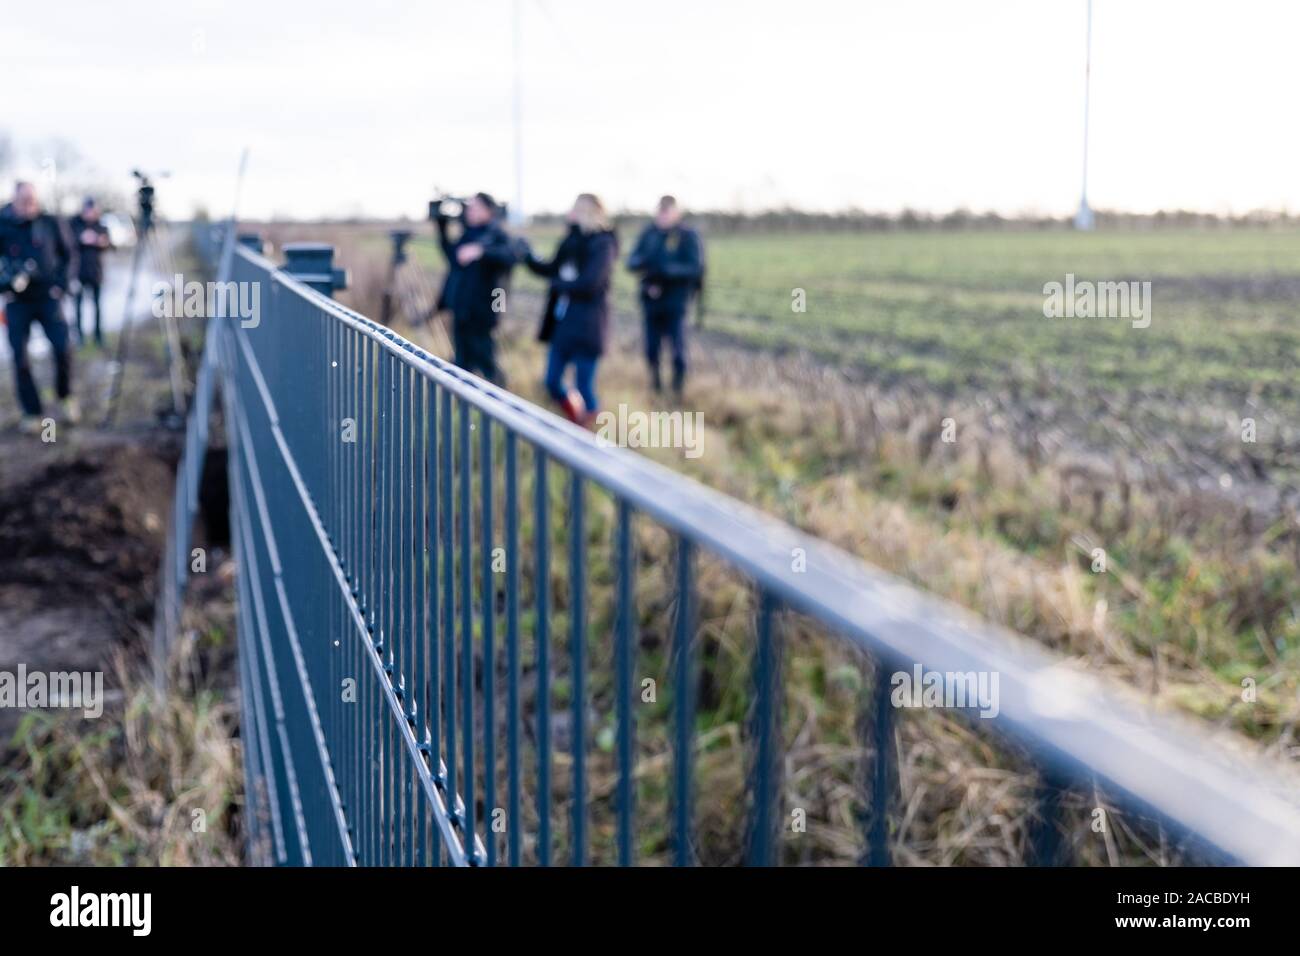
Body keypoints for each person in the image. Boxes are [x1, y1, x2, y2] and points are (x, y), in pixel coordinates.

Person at [524, 193, 618, 425]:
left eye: (575, 209)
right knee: (552, 381)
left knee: (584, 386)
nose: (570, 213)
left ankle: (591, 435)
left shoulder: (604, 244)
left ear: (587, 212)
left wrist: (560, 284)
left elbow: (590, 283)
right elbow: (552, 268)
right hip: (563, 324)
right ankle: (576, 421)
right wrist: (528, 256)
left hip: (588, 326)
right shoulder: (571, 241)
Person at [0, 181, 78, 432]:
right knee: (20, 358)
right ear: (14, 201)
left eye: (33, 200)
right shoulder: (3, 224)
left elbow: (69, 255)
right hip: (16, 301)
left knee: (62, 348)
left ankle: (65, 397)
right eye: (24, 201)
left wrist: (61, 285)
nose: (29, 206)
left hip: (48, 298)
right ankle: (32, 412)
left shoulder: (51, 222)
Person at [434, 192, 520, 384]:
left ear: (488, 210)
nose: (468, 212)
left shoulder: (497, 233)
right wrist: (441, 227)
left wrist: (481, 251)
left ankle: (500, 404)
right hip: (462, 308)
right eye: (468, 207)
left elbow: (512, 255)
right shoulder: (469, 233)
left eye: (474, 207)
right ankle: (464, 407)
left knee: (486, 360)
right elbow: (453, 258)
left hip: (484, 311)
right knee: (462, 361)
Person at [626, 195, 704, 396]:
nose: (662, 216)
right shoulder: (649, 234)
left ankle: (677, 391)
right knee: (651, 348)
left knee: (678, 349)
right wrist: (643, 264)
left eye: (667, 212)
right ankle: (656, 387)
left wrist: (666, 271)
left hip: (676, 302)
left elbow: (695, 268)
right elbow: (631, 261)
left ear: (676, 213)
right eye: (660, 211)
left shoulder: (687, 236)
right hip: (651, 301)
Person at [68, 197, 112, 347]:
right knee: (78, 307)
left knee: (97, 306)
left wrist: (99, 241)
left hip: (96, 272)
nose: (90, 214)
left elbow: (109, 244)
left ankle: (98, 337)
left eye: (93, 211)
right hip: (78, 273)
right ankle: (79, 337)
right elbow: (67, 242)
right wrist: (81, 239)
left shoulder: (101, 225)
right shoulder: (74, 224)